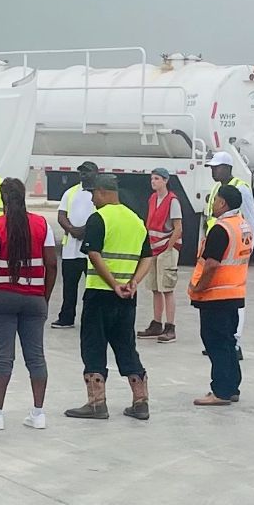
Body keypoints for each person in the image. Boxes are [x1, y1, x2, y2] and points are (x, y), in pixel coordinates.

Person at [64, 175, 154, 421]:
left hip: (100, 294)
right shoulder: (136, 220)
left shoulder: (99, 218)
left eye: (93, 194)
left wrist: (113, 284)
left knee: (93, 345)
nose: (92, 199)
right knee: (126, 346)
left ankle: (96, 403)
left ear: (104, 192)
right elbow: (148, 256)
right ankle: (140, 401)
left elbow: (93, 254)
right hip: (127, 296)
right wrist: (134, 281)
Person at [0, 178, 57, 431]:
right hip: (34, 298)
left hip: (1, 297)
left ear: (3, 199)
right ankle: (38, 413)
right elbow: (52, 265)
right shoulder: (42, 224)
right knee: (36, 356)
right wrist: (44, 295)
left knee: (3, 357)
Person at [188, 184, 251, 407]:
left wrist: (198, 287)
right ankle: (232, 386)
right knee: (227, 342)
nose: (212, 204)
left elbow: (212, 264)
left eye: (215, 200)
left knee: (215, 343)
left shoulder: (221, 228)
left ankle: (221, 391)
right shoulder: (242, 225)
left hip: (216, 295)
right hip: (234, 292)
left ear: (223, 203)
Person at [205, 151, 254, 357]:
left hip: (233, 252)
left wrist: (247, 250)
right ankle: (221, 340)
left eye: (216, 167)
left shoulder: (240, 189)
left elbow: (251, 222)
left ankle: (234, 341)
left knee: (234, 296)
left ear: (227, 168)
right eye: (211, 168)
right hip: (218, 249)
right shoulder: (218, 188)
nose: (213, 171)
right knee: (218, 298)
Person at [138, 168, 183, 343]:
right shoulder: (153, 199)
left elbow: (178, 227)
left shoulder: (173, 201)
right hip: (153, 247)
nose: (153, 181)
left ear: (165, 180)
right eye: (152, 178)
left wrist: (168, 247)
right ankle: (156, 323)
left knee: (167, 288)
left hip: (166, 248)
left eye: (157, 178)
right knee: (155, 288)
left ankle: (170, 327)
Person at [53, 161, 98, 330]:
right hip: (71, 250)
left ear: (95, 173)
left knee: (92, 288)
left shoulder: (98, 193)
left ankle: (91, 320)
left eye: (87, 172)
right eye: (81, 172)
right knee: (69, 287)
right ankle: (66, 318)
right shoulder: (70, 192)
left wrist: (85, 230)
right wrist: (71, 229)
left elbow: (101, 215)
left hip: (90, 251)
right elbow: (61, 215)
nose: (83, 175)